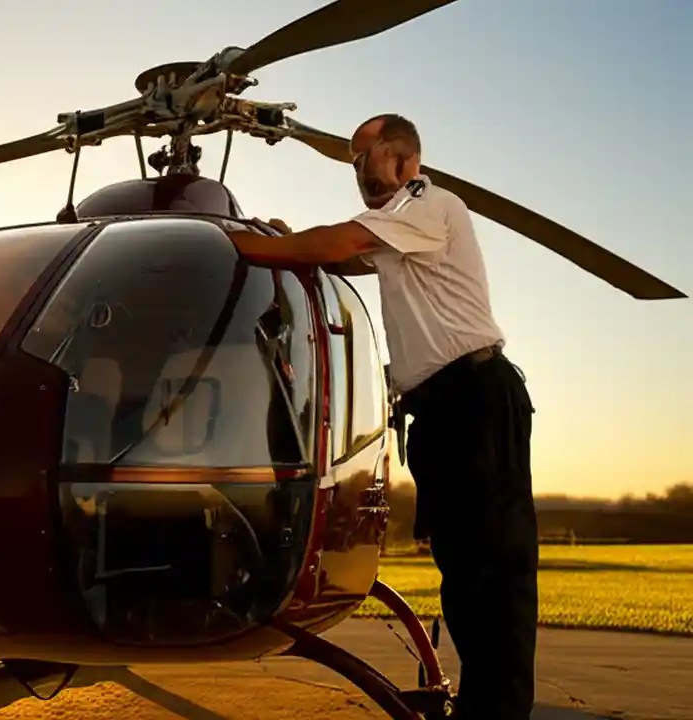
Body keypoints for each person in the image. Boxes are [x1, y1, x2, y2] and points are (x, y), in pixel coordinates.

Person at [229, 113, 539, 720]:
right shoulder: (399, 233)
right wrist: (290, 242)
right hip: (442, 412)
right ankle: (482, 708)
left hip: (476, 401)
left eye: (362, 158)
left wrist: (246, 247)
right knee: (465, 572)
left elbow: (343, 243)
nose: (356, 172)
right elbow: (346, 256)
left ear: (403, 160)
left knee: (493, 568)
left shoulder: (431, 203)